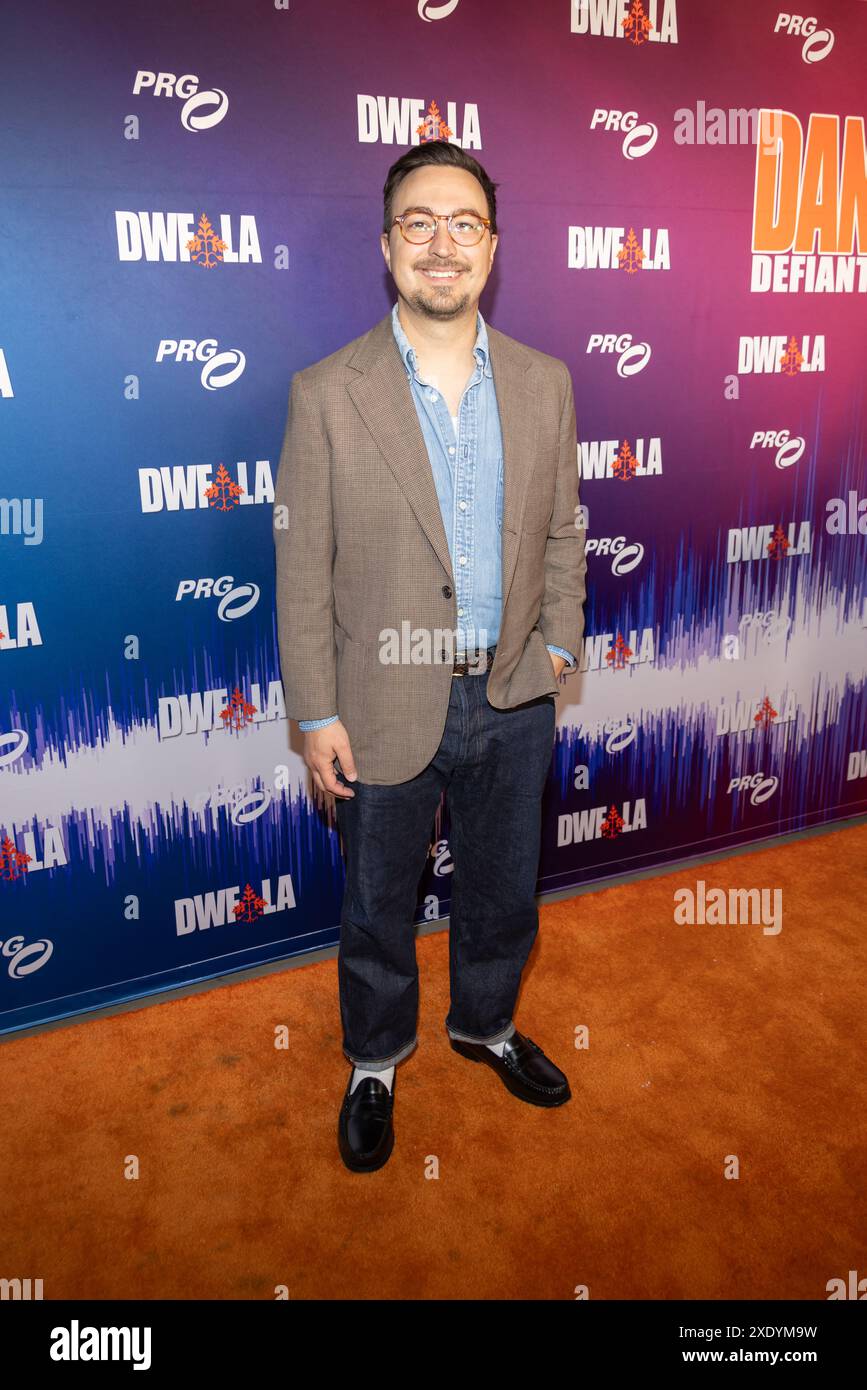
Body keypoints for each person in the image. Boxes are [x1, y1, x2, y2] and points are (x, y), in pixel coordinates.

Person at [273, 139, 587, 1172]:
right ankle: (376, 1056)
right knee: (377, 905)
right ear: (387, 245)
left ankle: (485, 1025)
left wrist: (559, 649)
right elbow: (303, 570)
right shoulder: (326, 393)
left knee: (503, 888)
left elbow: (562, 534)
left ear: (492, 249)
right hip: (377, 704)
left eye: (464, 225)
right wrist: (316, 714)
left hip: (511, 696)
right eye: (420, 223)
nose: (442, 245)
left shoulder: (547, 384)